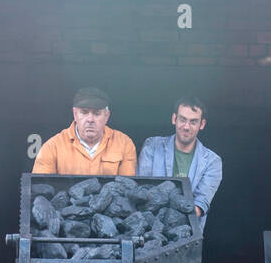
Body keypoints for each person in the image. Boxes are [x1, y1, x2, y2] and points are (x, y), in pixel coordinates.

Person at [137, 96, 222, 230]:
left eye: (193, 122)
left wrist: (171, 222)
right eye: (182, 120)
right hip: (149, 228)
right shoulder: (152, 146)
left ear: (202, 124)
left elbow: (200, 204)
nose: (186, 127)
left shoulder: (212, 161)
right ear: (174, 119)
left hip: (186, 233)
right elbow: (142, 189)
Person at [32, 87, 136, 176]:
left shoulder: (124, 144)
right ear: (75, 114)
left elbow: (127, 190)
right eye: (84, 112)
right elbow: (41, 191)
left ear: (106, 116)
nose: (90, 119)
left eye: (96, 113)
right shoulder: (52, 147)